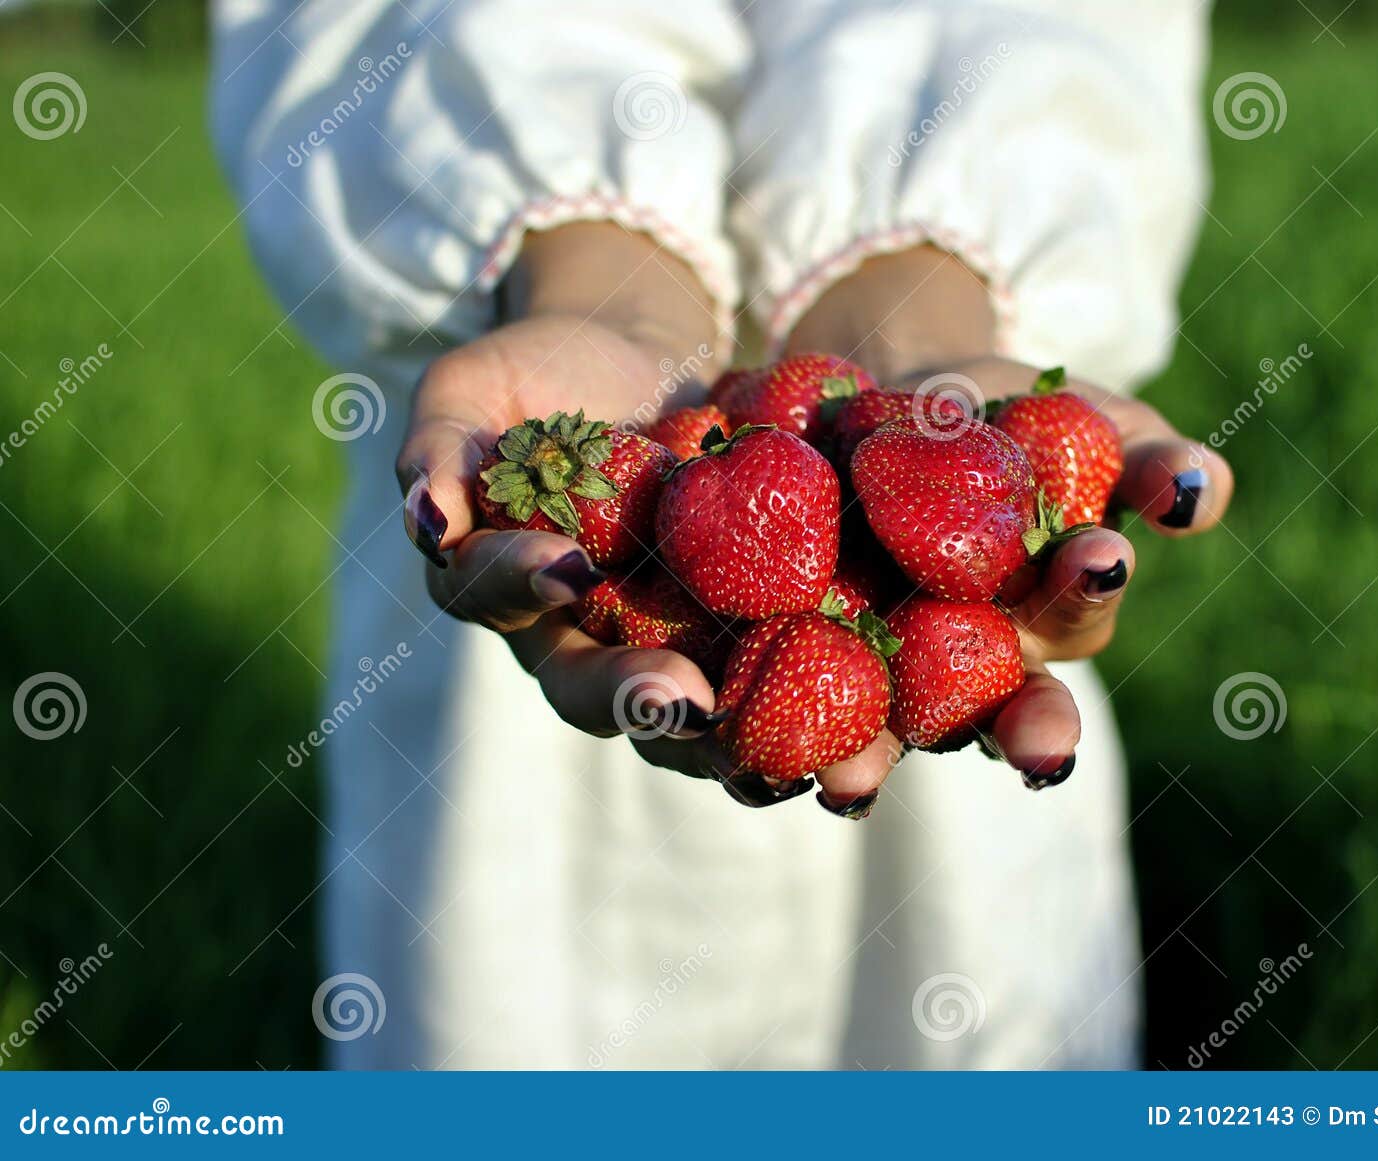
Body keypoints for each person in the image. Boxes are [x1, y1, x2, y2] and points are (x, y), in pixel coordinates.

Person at [211, 0, 1232, 1068]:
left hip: (919, 608)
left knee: (945, 991)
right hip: (547, 532)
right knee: (512, 975)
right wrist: (598, 276)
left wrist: (921, 306)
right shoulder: (634, 479)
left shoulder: (896, 477)